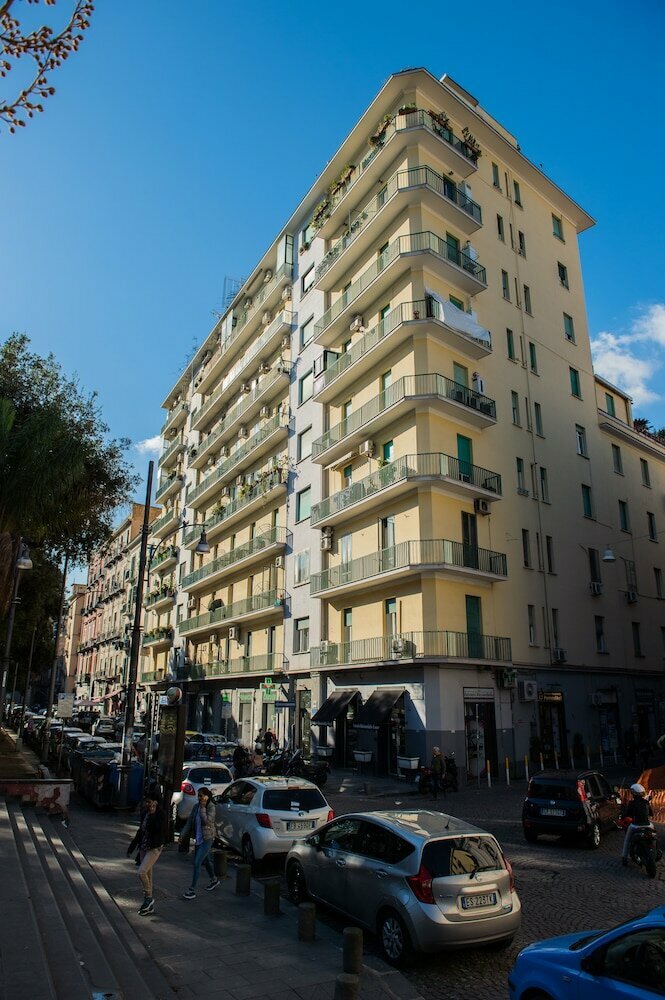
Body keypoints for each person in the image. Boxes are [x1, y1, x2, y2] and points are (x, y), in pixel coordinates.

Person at [127, 793, 167, 915]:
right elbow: (141, 831)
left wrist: (154, 814)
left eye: (150, 802)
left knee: (141, 872)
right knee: (148, 875)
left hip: (154, 847)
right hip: (144, 847)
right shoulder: (145, 813)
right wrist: (132, 847)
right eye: (147, 802)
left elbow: (159, 829)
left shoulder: (160, 814)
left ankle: (149, 899)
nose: (148, 805)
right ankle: (148, 904)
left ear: (155, 803)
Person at [181, 787, 220, 899]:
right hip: (198, 839)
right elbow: (189, 822)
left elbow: (206, 821)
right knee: (206, 860)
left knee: (197, 862)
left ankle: (192, 889)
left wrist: (203, 807)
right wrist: (183, 834)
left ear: (207, 797)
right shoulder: (195, 807)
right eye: (198, 795)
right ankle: (214, 879)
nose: (199, 798)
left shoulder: (211, 807)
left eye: (201, 795)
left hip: (207, 839)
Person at [620, 782, 654, 866]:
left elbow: (627, 813)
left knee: (627, 840)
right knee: (653, 835)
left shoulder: (632, 803)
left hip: (635, 825)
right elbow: (651, 814)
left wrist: (623, 816)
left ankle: (624, 857)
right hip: (648, 825)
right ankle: (654, 848)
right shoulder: (646, 802)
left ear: (633, 793)